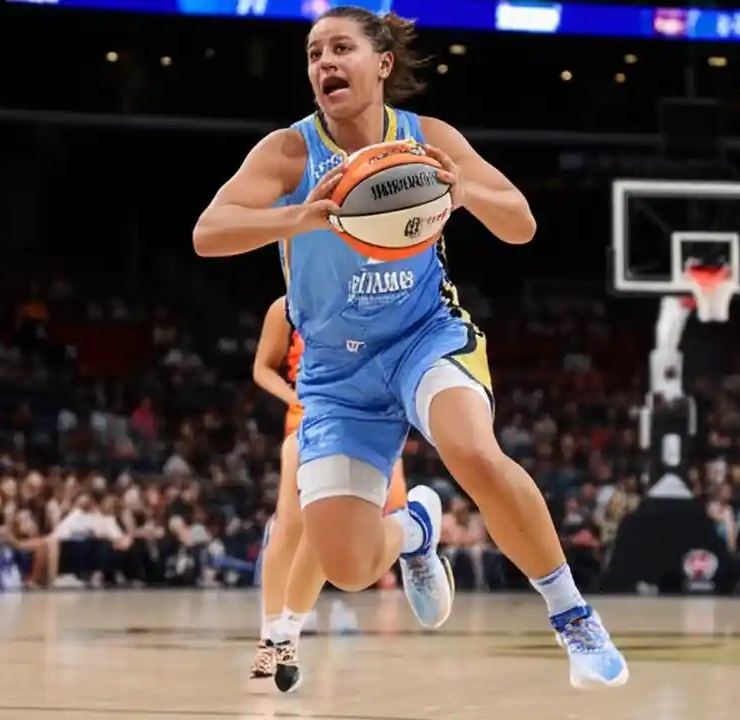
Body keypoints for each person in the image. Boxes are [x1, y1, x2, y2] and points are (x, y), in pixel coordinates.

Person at [193, 7, 627, 689]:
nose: (323, 63)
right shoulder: (290, 152)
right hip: (337, 375)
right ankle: (418, 528)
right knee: (350, 566)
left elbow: (521, 224)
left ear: (382, 64)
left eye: (340, 48)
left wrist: (463, 193)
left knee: (475, 453)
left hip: (424, 336)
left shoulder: (428, 139)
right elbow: (209, 232)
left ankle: (572, 616)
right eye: (313, 54)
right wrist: (299, 215)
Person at [249, 294, 406, 692]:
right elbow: (262, 369)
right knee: (290, 525)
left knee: (340, 527)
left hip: (358, 421)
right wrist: (294, 397)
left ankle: (289, 632)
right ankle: (271, 636)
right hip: (306, 421)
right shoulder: (285, 306)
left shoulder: (369, 297)